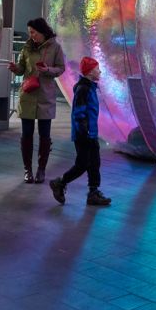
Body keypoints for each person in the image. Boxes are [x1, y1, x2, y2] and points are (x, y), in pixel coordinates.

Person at [50, 56, 111, 207]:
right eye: (97, 69)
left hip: (91, 133)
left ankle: (93, 192)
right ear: (90, 72)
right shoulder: (83, 89)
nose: (100, 71)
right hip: (84, 134)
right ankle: (60, 182)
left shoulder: (90, 87)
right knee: (82, 164)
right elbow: (79, 113)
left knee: (94, 162)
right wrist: (85, 132)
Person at [10, 17, 65, 184]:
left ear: (41, 31)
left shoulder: (55, 47)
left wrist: (48, 69)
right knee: (26, 135)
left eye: (33, 32)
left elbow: (61, 68)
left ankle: (41, 169)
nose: (31, 35)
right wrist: (15, 69)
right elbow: (21, 69)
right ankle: (28, 170)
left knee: (44, 136)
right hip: (27, 95)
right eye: (29, 32)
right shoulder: (27, 48)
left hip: (45, 96)